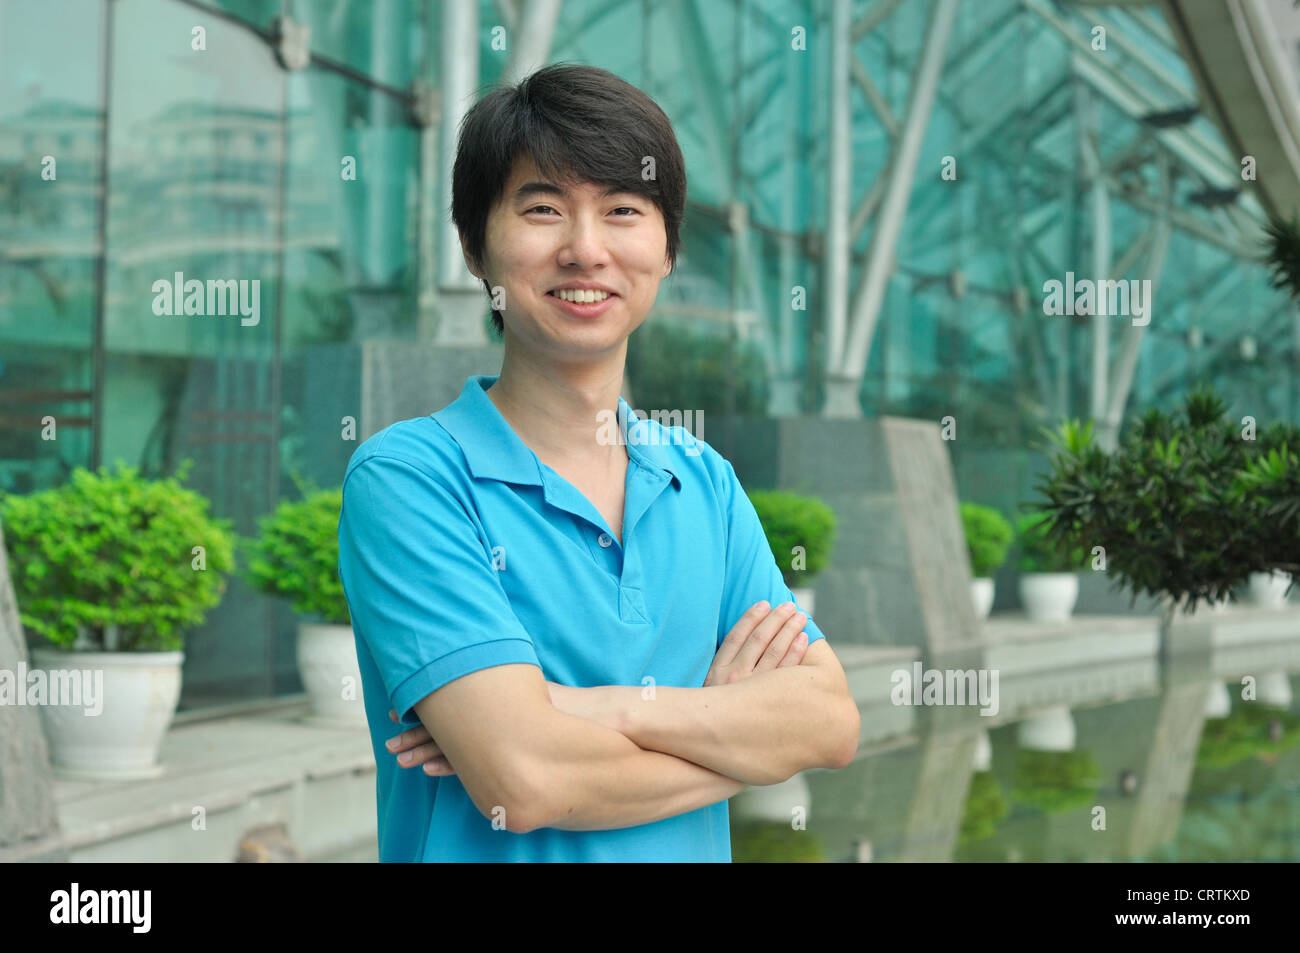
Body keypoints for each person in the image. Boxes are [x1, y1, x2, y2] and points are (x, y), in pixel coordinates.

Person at [337, 63, 859, 862]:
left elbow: (828, 722)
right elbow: (527, 780)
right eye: (543, 209)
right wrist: (740, 744)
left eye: (623, 211)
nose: (585, 250)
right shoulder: (410, 480)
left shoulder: (703, 481)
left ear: (667, 249)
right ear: (476, 246)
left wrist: (595, 709)